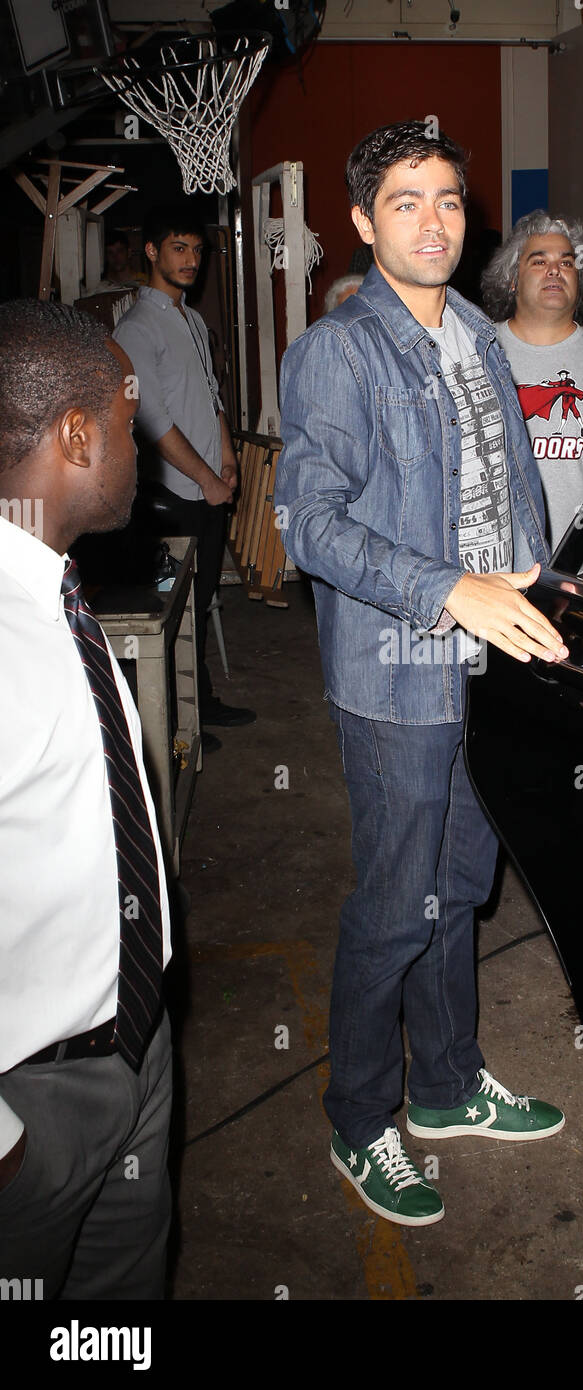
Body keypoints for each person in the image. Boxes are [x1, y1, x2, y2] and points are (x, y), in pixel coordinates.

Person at [275, 121, 569, 1228]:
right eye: (405, 201)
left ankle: (445, 1087)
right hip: (400, 673)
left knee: (457, 892)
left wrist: (538, 593)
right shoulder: (337, 352)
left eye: (447, 199)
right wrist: (447, 588)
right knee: (395, 907)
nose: (433, 221)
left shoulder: (482, 337)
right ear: (361, 220)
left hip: (486, 665)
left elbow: (503, 490)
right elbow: (310, 524)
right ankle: (361, 1118)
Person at [0, 299, 173, 1298]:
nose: (137, 439)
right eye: (124, 416)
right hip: (39, 1107)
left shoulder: (56, 596)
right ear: (75, 434)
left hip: (134, 1053)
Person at [113, 203, 255, 751]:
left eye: (197, 249)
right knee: (172, 608)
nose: (191, 259)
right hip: (172, 494)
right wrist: (206, 478)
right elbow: (152, 422)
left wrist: (227, 459)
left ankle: (202, 703)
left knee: (198, 601)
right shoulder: (137, 325)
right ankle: (172, 719)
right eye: (179, 248)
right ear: (152, 251)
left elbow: (212, 400)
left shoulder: (193, 320)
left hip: (207, 486)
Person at [482, 211, 583, 549]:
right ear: (512, 279)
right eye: (539, 262)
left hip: (582, 573)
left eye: (567, 263)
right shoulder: (477, 355)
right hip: (494, 579)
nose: (555, 270)